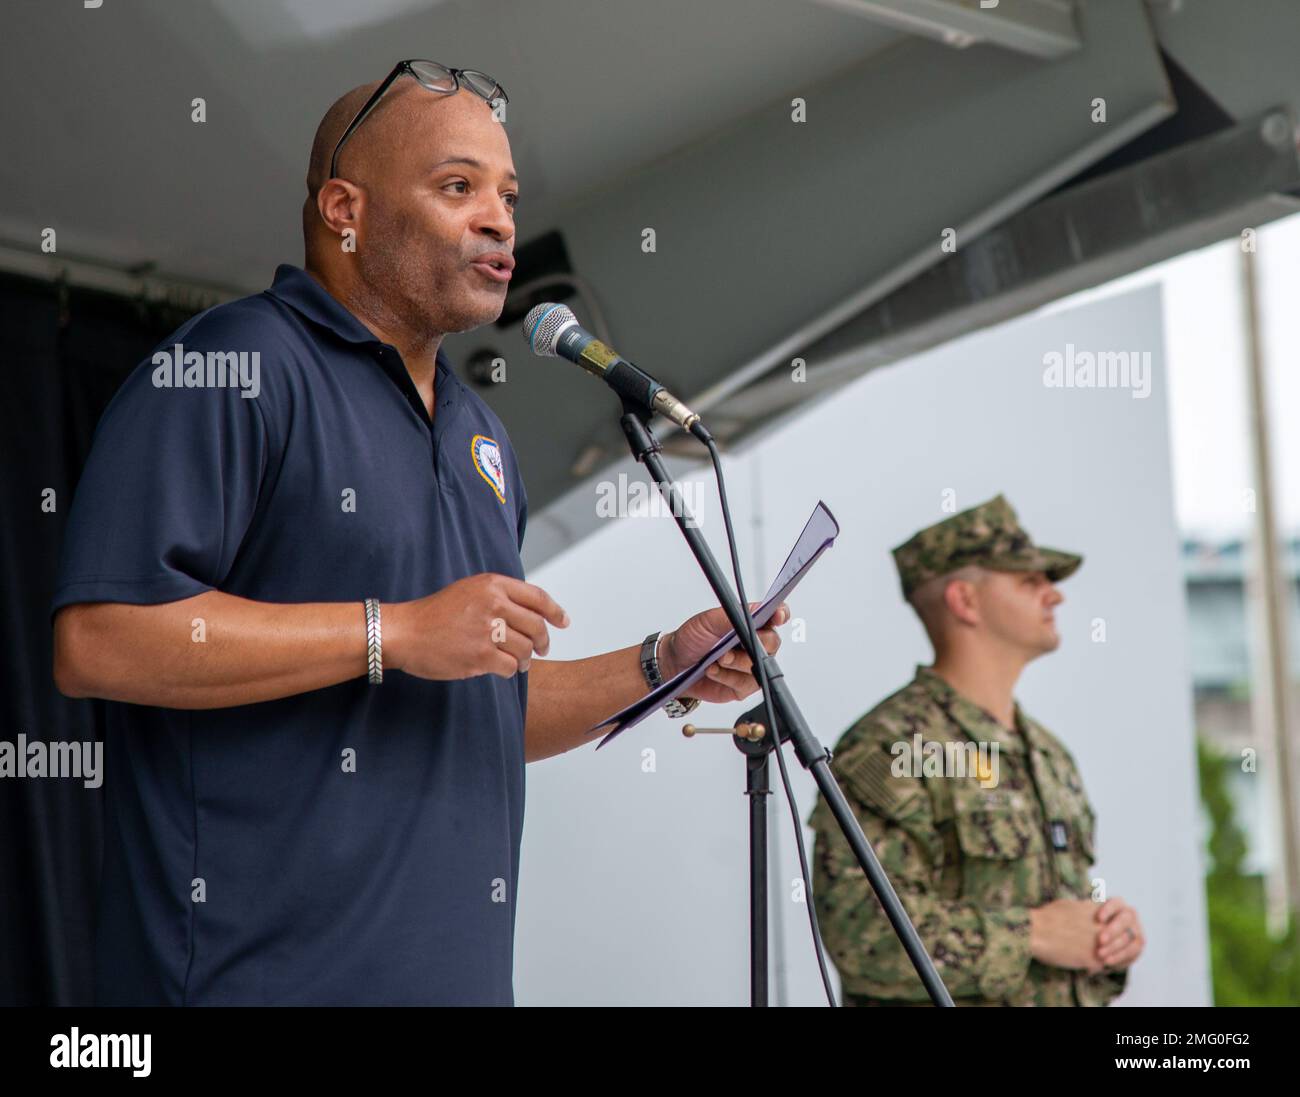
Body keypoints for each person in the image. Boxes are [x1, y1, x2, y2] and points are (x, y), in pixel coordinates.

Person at [51, 61, 786, 1006]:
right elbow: (100, 638)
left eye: (508, 195)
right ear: (343, 209)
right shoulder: (235, 364)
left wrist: (659, 665)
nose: (500, 219)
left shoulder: (479, 431)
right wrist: (391, 631)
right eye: (458, 187)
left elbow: (475, 709)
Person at [808, 495, 1143, 1006]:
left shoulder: (1049, 755)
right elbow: (862, 936)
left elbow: (1061, 916)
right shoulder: (895, 748)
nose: (1055, 597)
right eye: (1030, 581)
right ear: (966, 601)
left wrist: (1106, 936)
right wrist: (1032, 934)